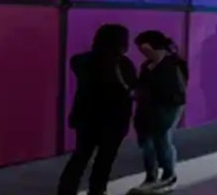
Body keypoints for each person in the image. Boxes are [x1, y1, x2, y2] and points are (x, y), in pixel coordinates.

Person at [59, 24, 137, 195]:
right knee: (105, 159)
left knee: (80, 157)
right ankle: (97, 190)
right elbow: (131, 89)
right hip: (114, 120)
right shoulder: (123, 64)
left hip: (86, 118)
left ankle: (66, 191)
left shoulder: (82, 61)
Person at [133, 30, 188, 192]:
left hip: (168, 106)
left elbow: (178, 90)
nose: (143, 53)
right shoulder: (146, 66)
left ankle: (168, 175)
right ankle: (151, 176)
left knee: (162, 138)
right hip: (147, 107)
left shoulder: (174, 64)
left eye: (145, 49)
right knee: (146, 142)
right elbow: (141, 85)